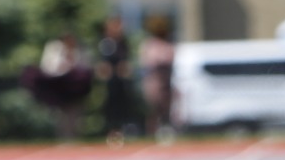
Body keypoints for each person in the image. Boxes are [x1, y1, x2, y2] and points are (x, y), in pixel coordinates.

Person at [29, 31, 93, 140]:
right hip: (59, 88)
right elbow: (47, 67)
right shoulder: (54, 49)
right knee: (61, 117)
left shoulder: (79, 50)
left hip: (75, 89)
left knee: (75, 115)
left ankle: (74, 138)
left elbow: (86, 68)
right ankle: (63, 138)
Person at [95, 14, 139, 143]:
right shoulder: (106, 43)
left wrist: (126, 69)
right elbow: (104, 63)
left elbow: (126, 60)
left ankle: (123, 130)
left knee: (124, 106)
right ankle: (112, 131)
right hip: (111, 82)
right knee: (111, 106)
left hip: (122, 81)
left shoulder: (123, 42)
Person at [138, 14, 176, 140]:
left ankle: (165, 133)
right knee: (153, 110)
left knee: (166, 110)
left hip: (166, 81)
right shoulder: (150, 45)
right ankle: (151, 133)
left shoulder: (167, 45)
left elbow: (171, 60)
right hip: (154, 82)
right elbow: (148, 63)